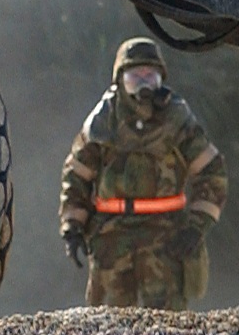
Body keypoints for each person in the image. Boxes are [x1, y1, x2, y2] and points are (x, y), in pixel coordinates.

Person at [58, 37, 227, 310]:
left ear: (161, 79)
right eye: (135, 77)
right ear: (120, 81)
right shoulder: (103, 121)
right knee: (108, 325)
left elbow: (212, 172)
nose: (143, 85)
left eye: (151, 77)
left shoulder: (177, 119)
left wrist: (196, 228)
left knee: (167, 327)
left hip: (165, 236)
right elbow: (76, 174)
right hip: (112, 236)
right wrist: (73, 226)